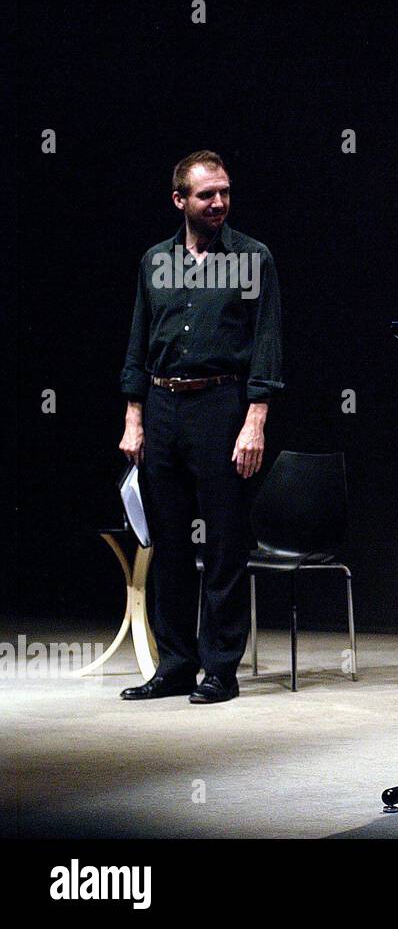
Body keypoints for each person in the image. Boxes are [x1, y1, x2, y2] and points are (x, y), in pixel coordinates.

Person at [118, 150, 284, 704]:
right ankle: (176, 665)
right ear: (179, 200)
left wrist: (254, 421)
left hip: (222, 406)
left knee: (224, 543)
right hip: (163, 407)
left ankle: (220, 668)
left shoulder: (253, 258)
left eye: (225, 193)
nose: (219, 203)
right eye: (207, 194)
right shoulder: (153, 262)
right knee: (167, 542)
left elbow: (266, 345)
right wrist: (133, 416)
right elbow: (138, 342)